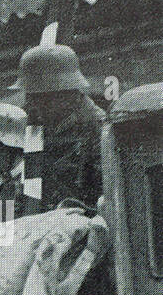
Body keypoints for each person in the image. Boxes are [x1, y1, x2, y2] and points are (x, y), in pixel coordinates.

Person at [9, 43, 104, 209]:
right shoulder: (32, 124)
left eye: (37, 97)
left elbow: (106, 193)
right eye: (30, 96)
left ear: (64, 93)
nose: (30, 104)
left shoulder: (97, 128)